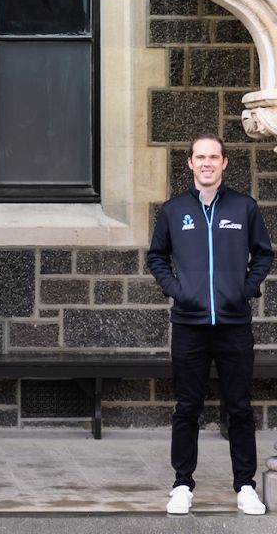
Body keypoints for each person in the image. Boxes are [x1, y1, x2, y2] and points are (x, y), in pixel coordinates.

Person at [147, 132, 272, 516]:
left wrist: (245, 290)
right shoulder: (173, 211)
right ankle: (182, 485)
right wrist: (177, 290)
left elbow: (264, 255)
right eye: (199, 157)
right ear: (189, 163)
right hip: (189, 325)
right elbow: (156, 257)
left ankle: (245, 487)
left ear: (224, 163)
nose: (206, 163)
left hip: (234, 325)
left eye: (213, 157)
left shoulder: (243, 207)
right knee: (187, 407)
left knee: (239, 408)